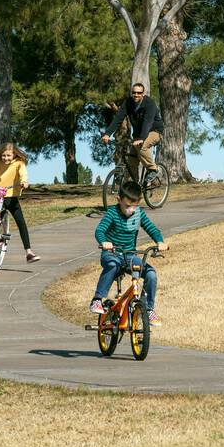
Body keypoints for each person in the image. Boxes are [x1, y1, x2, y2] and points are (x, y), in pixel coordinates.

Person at [91, 180, 168, 323]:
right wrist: (104, 242)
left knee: (150, 274)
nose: (131, 210)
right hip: (112, 253)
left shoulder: (138, 213)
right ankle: (97, 299)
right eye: (127, 206)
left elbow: (151, 228)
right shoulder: (112, 213)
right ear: (118, 199)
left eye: (135, 206)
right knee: (113, 265)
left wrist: (160, 241)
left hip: (130, 255)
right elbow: (100, 230)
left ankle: (147, 309)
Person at [103, 82, 163, 182]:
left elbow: (147, 122)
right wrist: (107, 134)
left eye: (139, 93)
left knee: (142, 147)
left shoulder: (149, 104)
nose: (136, 95)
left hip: (155, 131)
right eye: (134, 92)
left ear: (143, 93)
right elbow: (118, 118)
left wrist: (142, 138)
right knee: (131, 161)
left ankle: (153, 169)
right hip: (139, 135)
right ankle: (133, 188)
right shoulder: (128, 103)